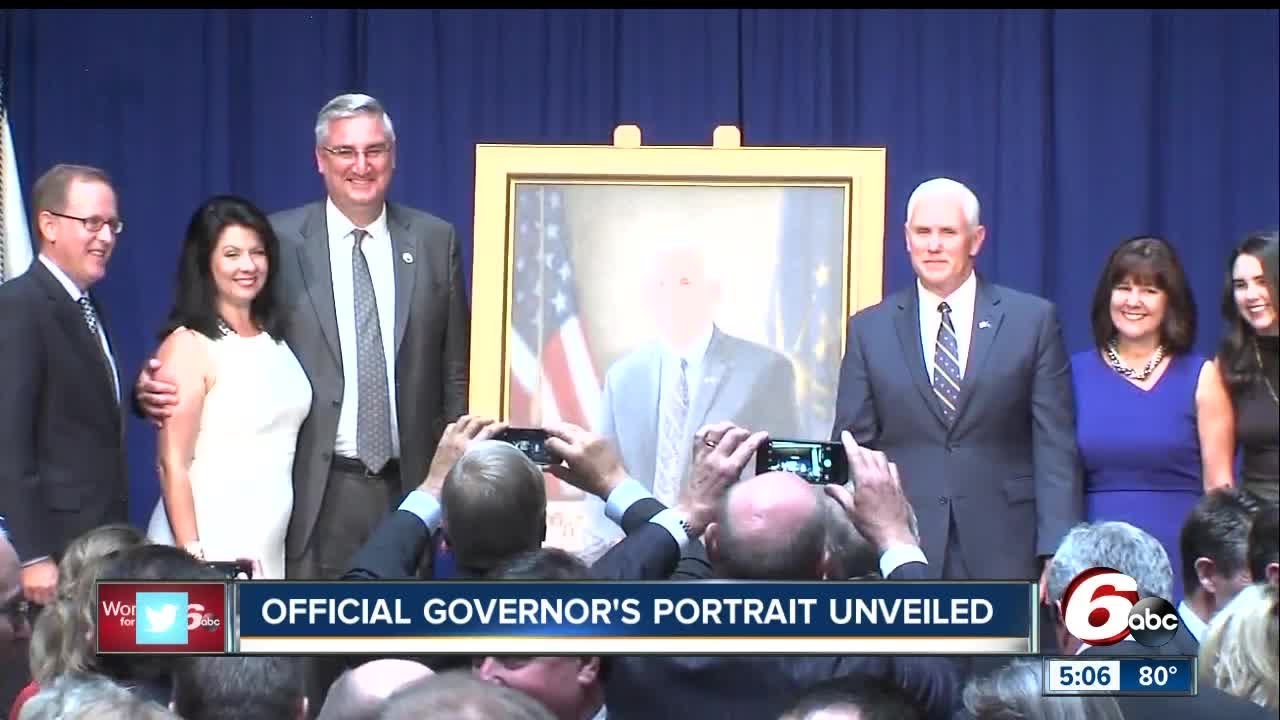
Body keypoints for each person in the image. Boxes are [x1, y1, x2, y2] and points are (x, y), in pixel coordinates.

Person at [135, 93, 470, 580]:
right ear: (320, 159)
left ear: (393, 157)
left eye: (374, 150)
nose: (361, 165)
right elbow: (214, 340)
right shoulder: (277, 242)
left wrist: (448, 489)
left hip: (409, 486)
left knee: (401, 644)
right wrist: (149, 389)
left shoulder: (436, 240)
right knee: (306, 645)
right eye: (344, 152)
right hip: (314, 494)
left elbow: (453, 373)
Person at [830, 177, 1082, 583]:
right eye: (922, 232)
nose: (933, 245)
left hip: (1008, 547)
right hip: (903, 548)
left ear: (976, 239)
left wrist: (1058, 549)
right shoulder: (868, 330)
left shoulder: (1031, 321)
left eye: (947, 232)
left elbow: (1055, 446)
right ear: (906, 239)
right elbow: (854, 449)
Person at [584, 239, 801, 559]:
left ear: (713, 292)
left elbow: (784, 478)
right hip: (638, 554)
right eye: (660, 284)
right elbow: (600, 473)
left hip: (726, 556)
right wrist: (605, 549)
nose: (670, 294)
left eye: (684, 282)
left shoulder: (765, 370)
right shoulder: (624, 376)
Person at [142, 196, 312, 579]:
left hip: (266, 549)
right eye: (232, 254)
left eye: (257, 252)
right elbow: (172, 464)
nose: (248, 265)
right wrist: (195, 560)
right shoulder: (188, 344)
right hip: (205, 550)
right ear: (205, 262)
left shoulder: (276, 340)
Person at [1071, 235, 1235, 606]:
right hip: (1096, 563)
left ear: (1170, 303)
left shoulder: (1202, 376)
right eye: (1123, 288)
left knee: (1172, 661)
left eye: (1148, 290)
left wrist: (1222, 575)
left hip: (1180, 561)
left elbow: (1219, 488)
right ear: (1106, 296)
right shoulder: (1071, 374)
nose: (1133, 301)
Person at [0, 164, 128, 607]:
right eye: (92, 223)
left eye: (112, 224)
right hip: (57, 553)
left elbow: (79, 412)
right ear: (48, 225)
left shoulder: (86, 306)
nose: (106, 237)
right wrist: (34, 554)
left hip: (99, 542)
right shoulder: (21, 306)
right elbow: (10, 440)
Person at [1216, 230, 1279, 503]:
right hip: (1259, 526)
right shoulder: (1229, 362)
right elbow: (1219, 476)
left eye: (1262, 282)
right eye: (1241, 285)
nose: (1251, 295)